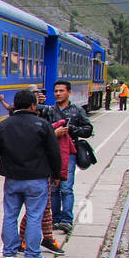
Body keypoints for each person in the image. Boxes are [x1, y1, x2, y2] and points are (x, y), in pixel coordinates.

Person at [0, 90, 61, 258]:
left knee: (10, 215)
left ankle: (9, 252)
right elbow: (54, 153)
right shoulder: (42, 125)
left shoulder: (3, 125)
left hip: (12, 178)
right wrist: (57, 174)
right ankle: (32, 255)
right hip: (37, 179)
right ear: (33, 105)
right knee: (34, 216)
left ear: (15, 105)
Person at [49, 79, 93, 233]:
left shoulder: (77, 110)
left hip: (69, 153)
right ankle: (54, 219)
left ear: (69, 92)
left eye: (61, 91)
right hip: (53, 153)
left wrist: (72, 129)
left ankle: (66, 220)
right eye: (56, 91)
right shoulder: (49, 110)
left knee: (66, 187)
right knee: (53, 188)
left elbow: (88, 129)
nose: (58, 94)